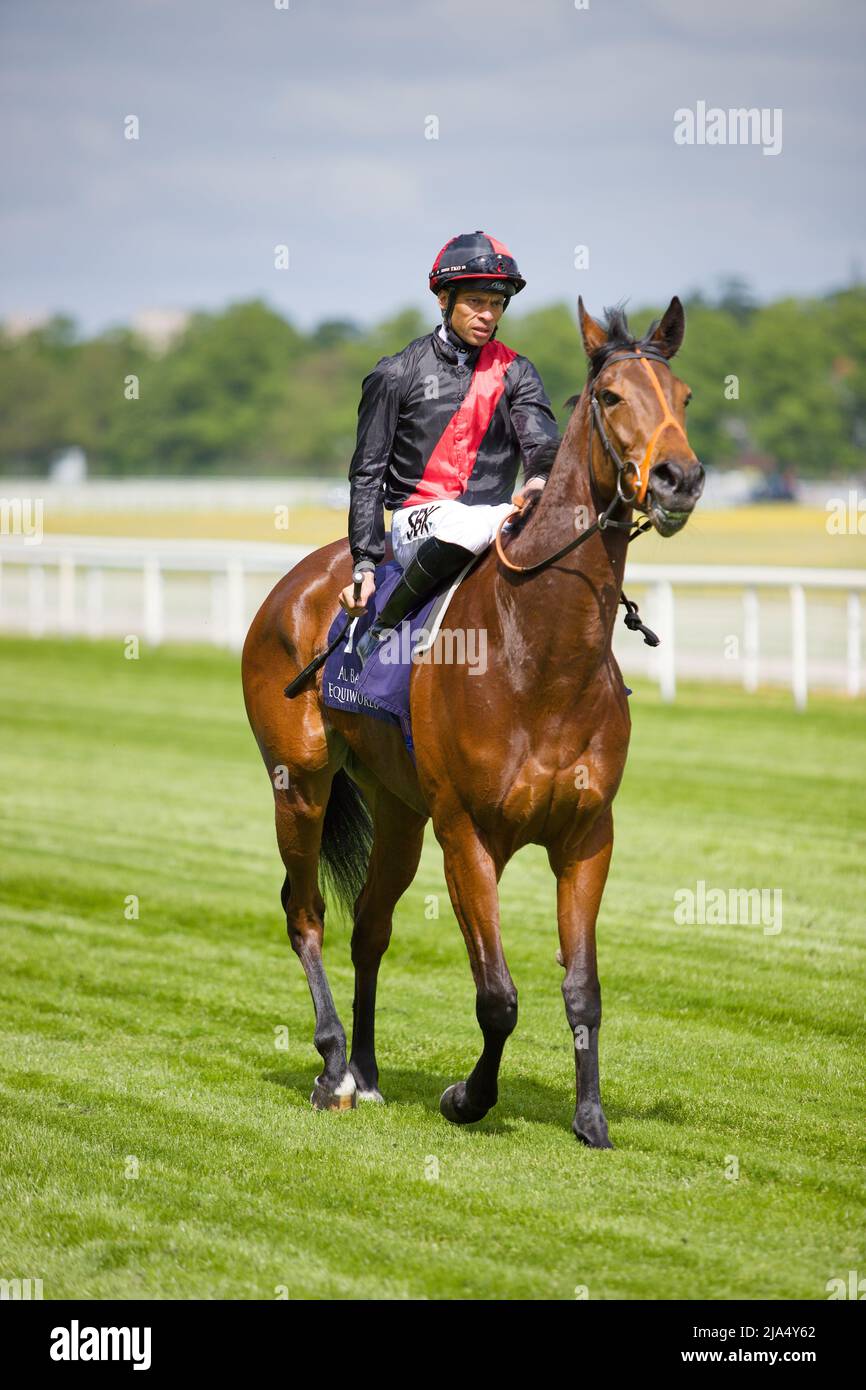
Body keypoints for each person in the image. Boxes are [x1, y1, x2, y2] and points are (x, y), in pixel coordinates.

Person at [339, 230, 561, 666]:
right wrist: (364, 564)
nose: (487, 315)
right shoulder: (395, 374)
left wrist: (538, 481)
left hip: (494, 522)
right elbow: (366, 474)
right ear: (444, 298)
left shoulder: (517, 371)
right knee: (460, 523)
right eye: (475, 302)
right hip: (416, 522)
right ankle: (383, 629)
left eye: (496, 304)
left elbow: (541, 440)